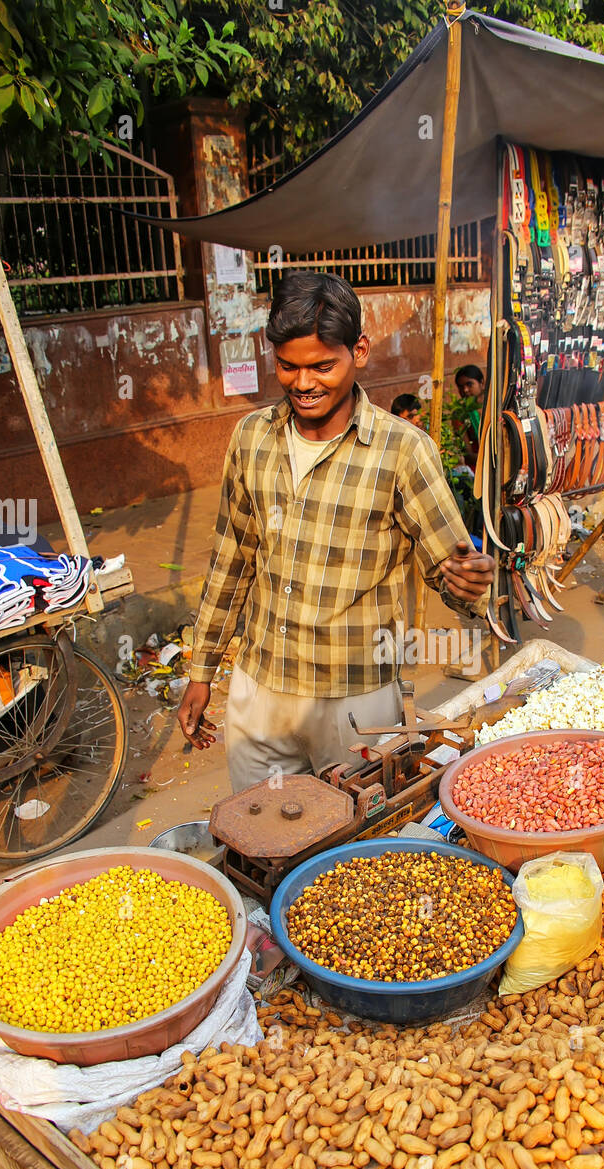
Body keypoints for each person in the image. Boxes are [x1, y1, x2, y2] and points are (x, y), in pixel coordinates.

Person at [177, 270, 494, 792]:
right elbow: (232, 559)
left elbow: (449, 565)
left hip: (354, 702)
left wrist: (466, 582)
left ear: (360, 351)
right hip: (260, 693)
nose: (304, 384)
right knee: (263, 841)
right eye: (288, 367)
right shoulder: (251, 437)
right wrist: (201, 671)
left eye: (322, 366)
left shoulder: (402, 450)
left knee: (354, 853)